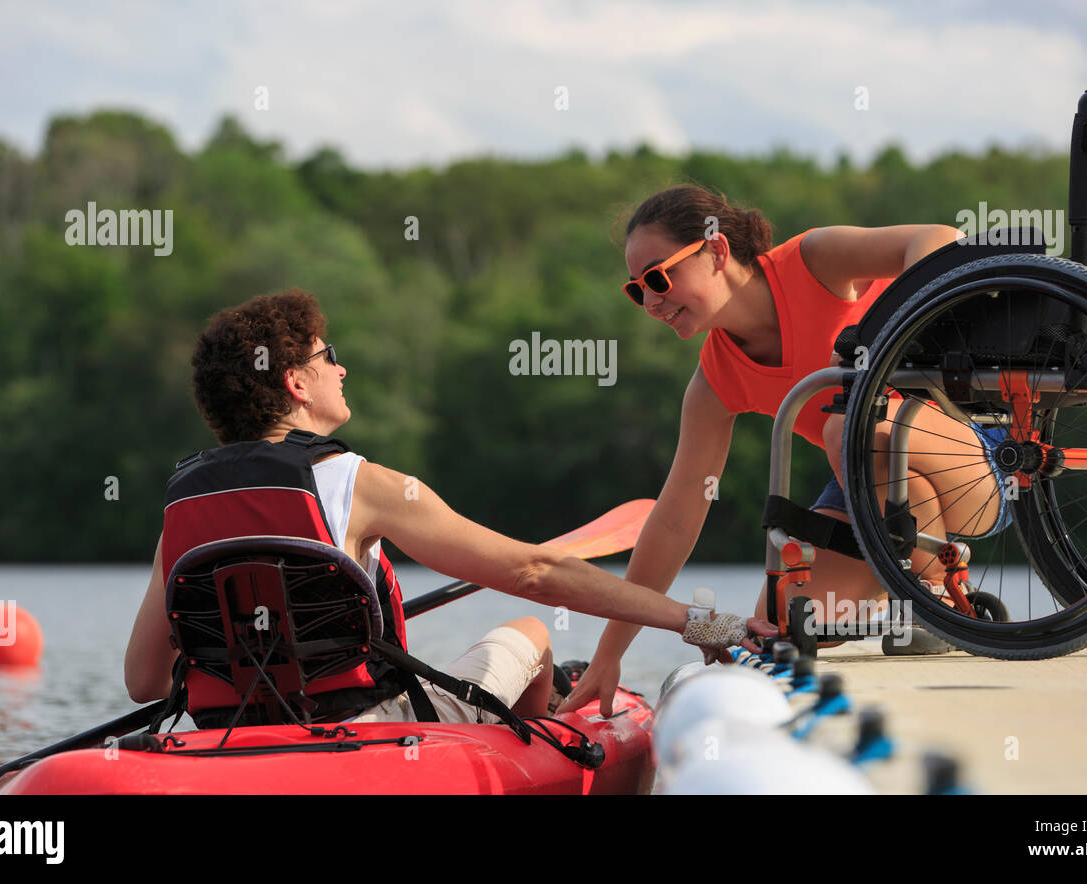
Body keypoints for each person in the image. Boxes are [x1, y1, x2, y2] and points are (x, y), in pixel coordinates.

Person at [124, 289, 774, 727]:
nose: (341, 369)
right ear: (295, 383)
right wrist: (704, 624)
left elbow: (144, 683)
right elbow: (537, 574)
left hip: (231, 739)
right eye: (329, 357)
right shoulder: (358, 483)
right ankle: (536, 745)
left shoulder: (181, 509)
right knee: (532, 632)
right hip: (368, 731)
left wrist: (250, 650)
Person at [561, 185, 1008, 717]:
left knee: (848, 426)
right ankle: (910, 579)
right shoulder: (712, 384)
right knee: (780, 624)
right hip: (868, 480)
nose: (652, 300)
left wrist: (897, 341)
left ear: (717, 251)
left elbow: (938, 238)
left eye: (659, 277)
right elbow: (676, 520)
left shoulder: (814, 260)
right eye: (637, 291)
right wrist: (607, 658)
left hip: (983, 457)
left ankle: (932, 591)